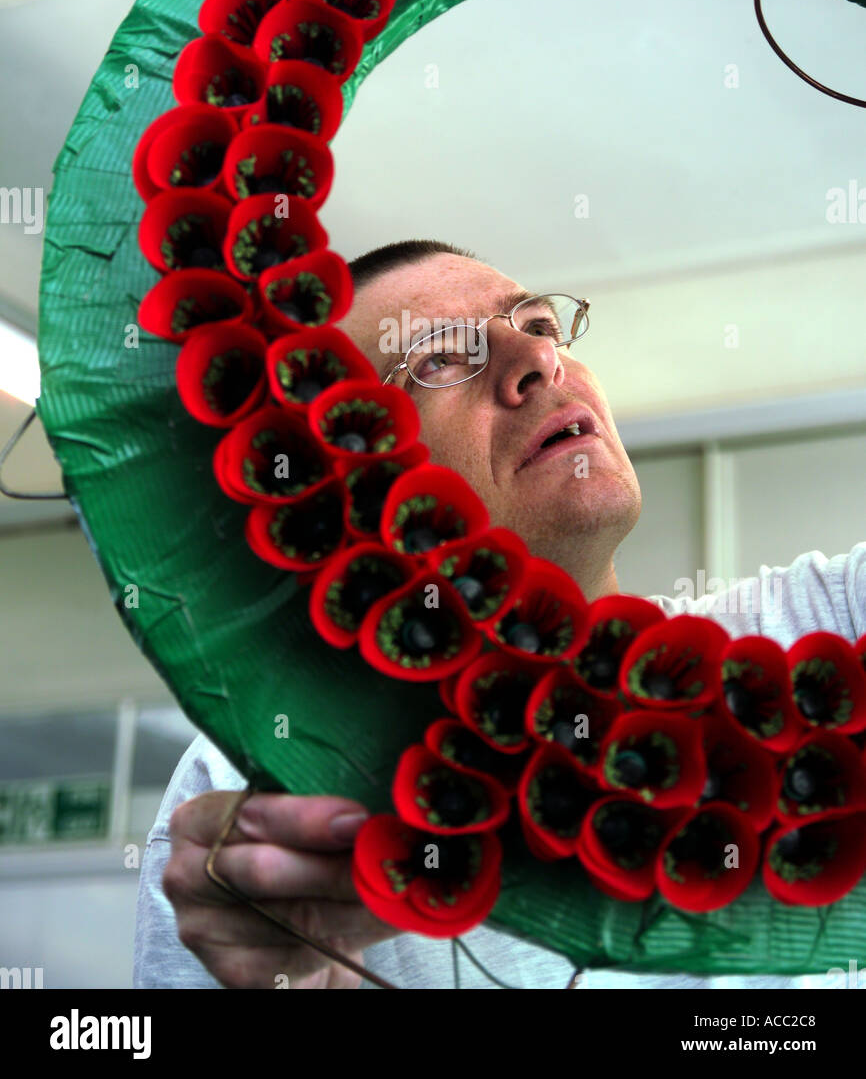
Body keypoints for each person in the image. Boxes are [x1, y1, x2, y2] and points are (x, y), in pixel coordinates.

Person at [133, 239, 866, 990]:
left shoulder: (825, 626)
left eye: (542, 325)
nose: (538, 360)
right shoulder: (266, 777)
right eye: (439, 359)